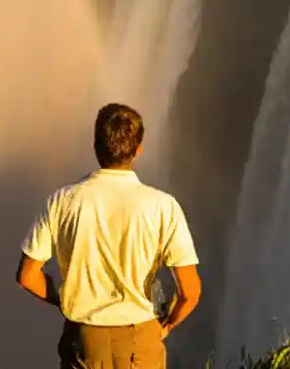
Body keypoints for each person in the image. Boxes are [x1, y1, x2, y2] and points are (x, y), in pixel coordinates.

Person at [16, 103, 202, 369]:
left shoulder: (61, 201)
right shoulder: (164, 206)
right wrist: (167, 325)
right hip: (142, 340)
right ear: (138, 149)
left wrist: (63, 297)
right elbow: (190, 292)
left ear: (96, 145)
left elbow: (27, 276)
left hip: (84, 340)